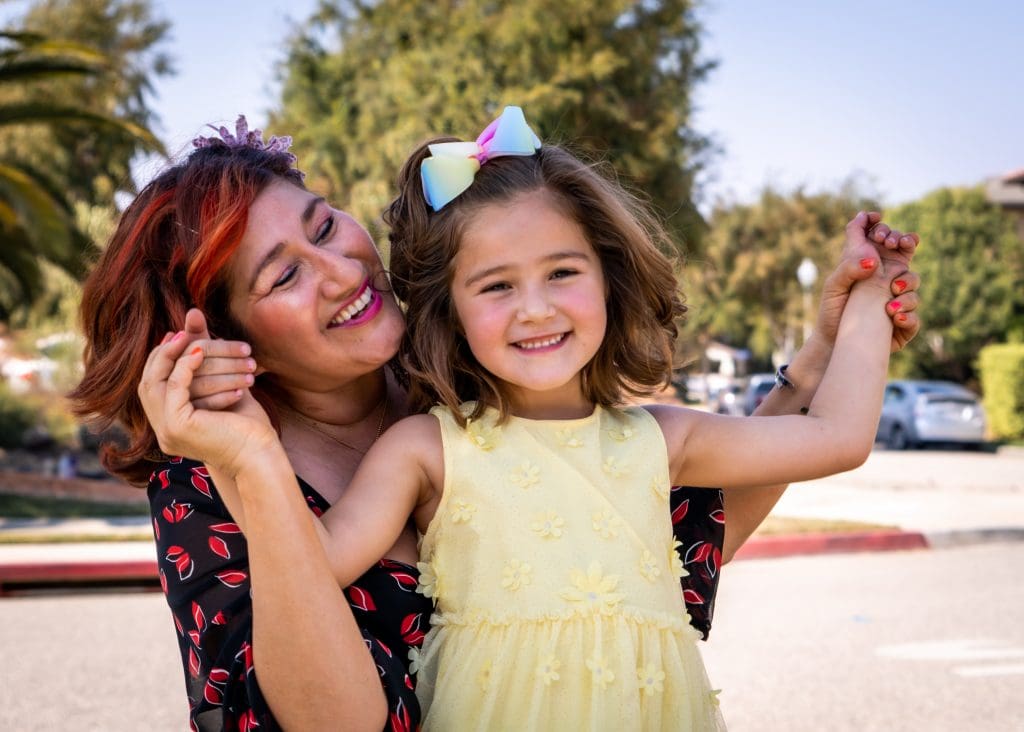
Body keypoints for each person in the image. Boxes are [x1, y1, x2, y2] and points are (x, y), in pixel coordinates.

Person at [137, 107, 919, 730]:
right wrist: (249, 458)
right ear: (233, 337)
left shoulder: (634, 430)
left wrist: (854, 318)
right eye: (285, 275)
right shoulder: (422, 450)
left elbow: (720, 520)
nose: (343, 269)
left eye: (323, 226)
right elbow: (311, 574)